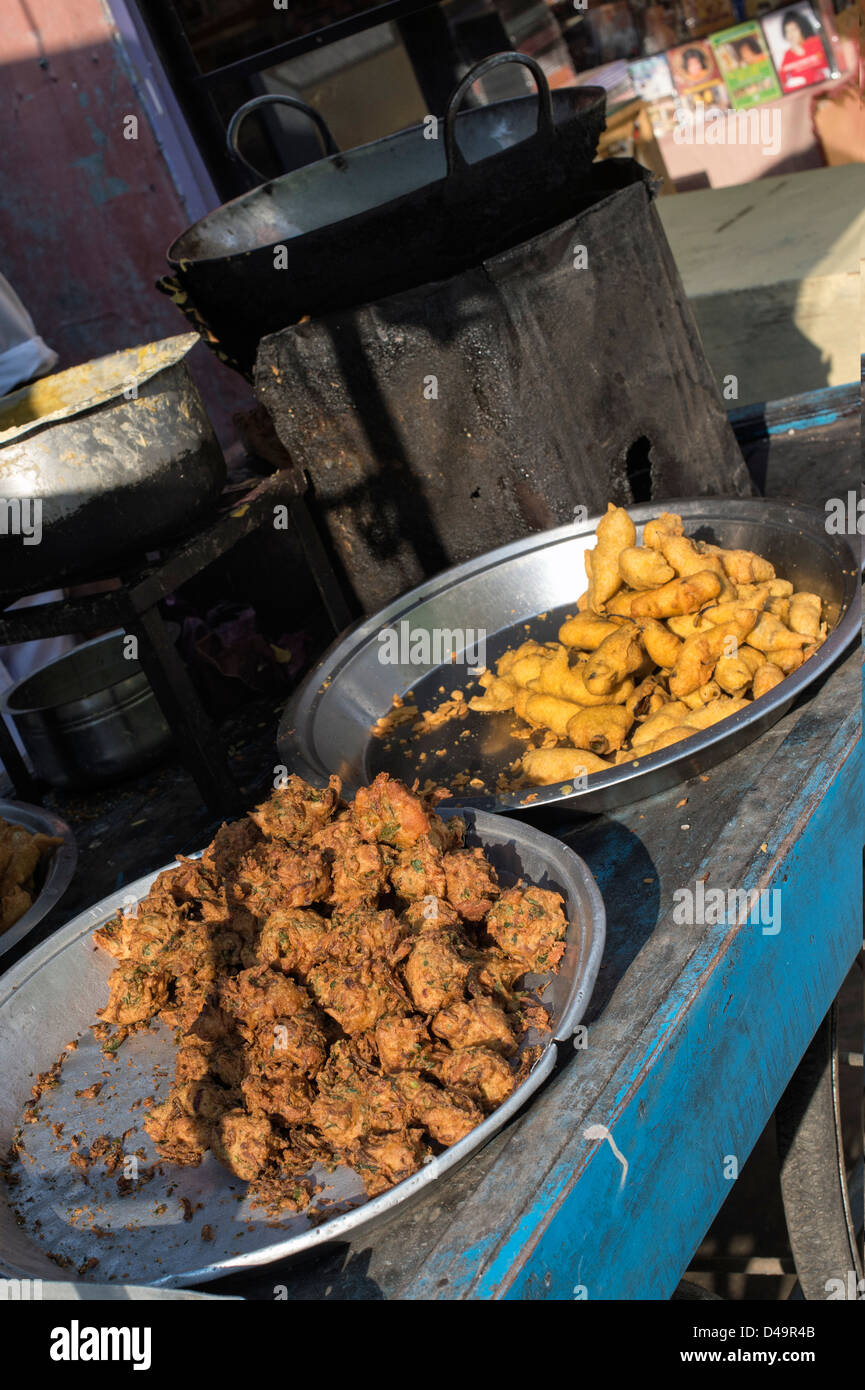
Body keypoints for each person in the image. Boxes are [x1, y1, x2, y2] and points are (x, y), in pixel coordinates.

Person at [775, 9, 831, 90]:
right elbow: (781, 79)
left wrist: (799, 50)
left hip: (824, 86)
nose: (791, 35)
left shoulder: (815, 42)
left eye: (793, 30)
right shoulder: (788, 54)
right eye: (787, 31)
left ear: (802, 28)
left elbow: (827, 64)